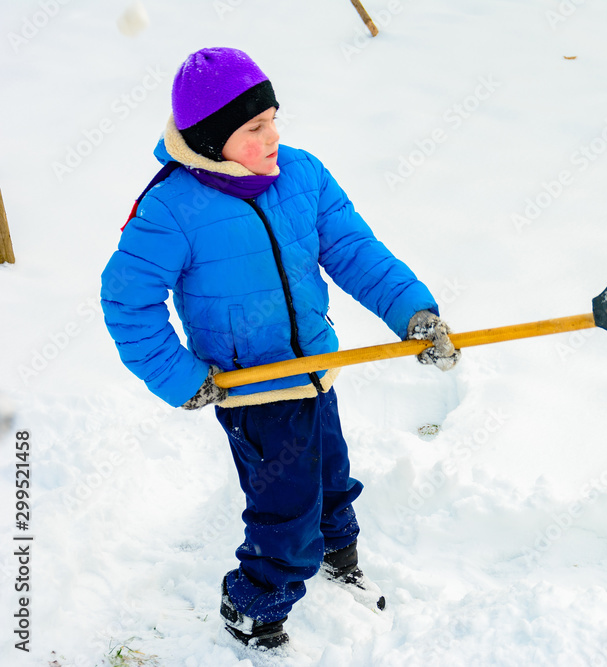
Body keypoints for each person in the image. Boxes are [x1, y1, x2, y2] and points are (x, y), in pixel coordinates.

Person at [100, 46, 460, 652]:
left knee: (331, 476)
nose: (272, 138)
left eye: (274, 120)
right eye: (254, 128)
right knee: (284, 509)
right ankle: (255, 608)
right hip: (253, 390)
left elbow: (355, 252)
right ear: (214, 139)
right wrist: (181, 377)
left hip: (318, 368)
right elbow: (127, 303)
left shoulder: (301, 174)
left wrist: (413, 312)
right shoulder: (170, 208)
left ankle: (339, 561)